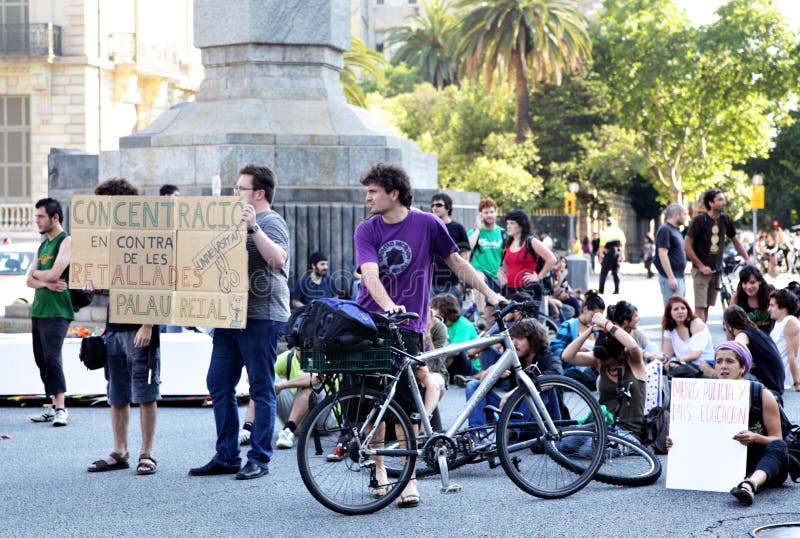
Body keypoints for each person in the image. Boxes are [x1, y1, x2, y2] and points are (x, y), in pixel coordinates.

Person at [354, 162, 503, 508]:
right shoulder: (367, 229)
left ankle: (409, 479)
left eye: (373, 191)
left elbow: (459, 264)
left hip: (408, 326)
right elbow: (370, 276)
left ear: (394, 193)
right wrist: (389, 305)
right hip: (371, 322)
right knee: (377, 398)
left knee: (408, 402)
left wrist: (491, 294)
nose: (368, 198)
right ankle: (378, 471)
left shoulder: (427, 224)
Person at [190, 164, 290, 481]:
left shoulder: (272, 221)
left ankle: (259, 458)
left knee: (261, 387)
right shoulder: (230, 220)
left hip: (262, 315)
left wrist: (253, 228)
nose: (235, 194)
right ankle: (227, 455)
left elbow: (278, 259)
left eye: (240, 189)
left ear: (258, 193)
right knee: (218, 383)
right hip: (228, 314)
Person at [86, 178, 162, 475]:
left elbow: (160, 280)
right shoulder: (112, 237)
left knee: (145, 392)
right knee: (116, 392)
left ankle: (147, 453)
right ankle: (120, 451)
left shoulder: (147, 235)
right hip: (114, 327)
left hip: (140, 327)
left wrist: (148, 324)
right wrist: (93, 285)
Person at [686, 341, 787, 506]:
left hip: (764, 462)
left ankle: (750, 485)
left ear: (743, 367)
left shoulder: (761, 395)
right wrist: (677, 442)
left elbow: (776, 438)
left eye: (730, 361)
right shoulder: (704, 395)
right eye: (719, 362)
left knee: (779, 446)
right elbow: (698, 435)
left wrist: (755, 437)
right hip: (726, 462)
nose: (723, 366)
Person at [561, 312, 647, 449]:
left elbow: (632, 346)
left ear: (619, 354)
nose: (601, 363)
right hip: (601, 424)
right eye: (599, 359)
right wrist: (591, 329)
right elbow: (567, 356)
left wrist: (606, 323)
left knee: (587, 450)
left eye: (606, 360)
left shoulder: (634, 362)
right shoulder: (600, 360)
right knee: (564, 443)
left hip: (627, 432)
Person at [26, 198, 74, 427]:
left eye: (40, 216)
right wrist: (44, 282)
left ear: (55, 217)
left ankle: (61, 408)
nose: (37, 220)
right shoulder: (42, 245)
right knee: (41, 359)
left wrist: (41, 276)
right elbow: (29, 280)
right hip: (39, 308)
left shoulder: (66, 241)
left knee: (53, 358)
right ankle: (53, 405)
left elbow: (55, 273)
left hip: (57, 310)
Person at [465, 319, 561, 431]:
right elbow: (483, 384)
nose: (514, 343)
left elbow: (555, 376)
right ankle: (478, 433)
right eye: (512, 338)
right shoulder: (514, 358)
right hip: (516, 413)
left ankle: (509, 432)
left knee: (541, 386)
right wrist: (489, 372)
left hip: (544, 421)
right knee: (473, 385)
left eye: (519, 338)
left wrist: (515, 392)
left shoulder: (549, 357)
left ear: (533, 340)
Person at [685, 188, 751, 322]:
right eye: (720, 200)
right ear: (710, 203)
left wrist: (747, 259)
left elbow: (735, 240)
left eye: (724, 199)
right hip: (701, 271)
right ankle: (699, 338)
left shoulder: (725, 219)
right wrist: (701, 266)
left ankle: (702, 335)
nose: (724, 202)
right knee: (699, 307)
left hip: (716, 270)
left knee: (707, 306)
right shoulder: (699, 220)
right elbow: (686, 245)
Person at [724, 305, 785, 402]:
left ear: (727, 324)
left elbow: (736, 348)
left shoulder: (743, 335)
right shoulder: (758, 332)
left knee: (728, 369)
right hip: (776, 382)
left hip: (767, 387)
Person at [550, 290, 606, 390]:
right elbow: (555, 352)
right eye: (593, 315)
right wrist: (578, 351)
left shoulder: (596, 330)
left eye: (599, 317)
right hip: (573, 371)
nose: (595, 319)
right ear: (585, 309)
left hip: (593, 370)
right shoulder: (568, 326)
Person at [497, 210, 555, 301]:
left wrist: (539, 277)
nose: (508, 226)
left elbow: (552, 259)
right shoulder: (508, 243)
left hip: (528, 291)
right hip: (509, 290)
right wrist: (500, 273)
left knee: (517, 315)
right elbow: (504, 266)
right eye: (507, 223)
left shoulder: (531, 241)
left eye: (512, 223)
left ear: (521, 225)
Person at [430, 193, 470, 303]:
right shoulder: (430, 227)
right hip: (431, 283)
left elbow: (464, 256)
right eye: (432, 205)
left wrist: (462, 282)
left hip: (453, 283)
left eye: (438, 205)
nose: (434, 208)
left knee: (454, 318)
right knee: (432, 318)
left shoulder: (458, 228)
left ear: (448, 207)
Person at [467, 197, 505, 316]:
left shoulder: (503, 233)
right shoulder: (474, 232)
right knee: (479, 277)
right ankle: (480, 312)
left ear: (496, 213)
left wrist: (503, 270)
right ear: (481, 215)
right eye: (485, 212)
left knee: (492, 319)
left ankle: (485, 318)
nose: (489, 215)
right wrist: (478, 228)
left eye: (491, 212)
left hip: (496, 277)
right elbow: (468, 247)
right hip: (479, 273)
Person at [661, 296, 715, 378]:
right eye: (676, 309)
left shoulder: (696, 323)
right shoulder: (669, 329)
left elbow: (695, 354)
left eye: (683, 308)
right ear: (669, 313)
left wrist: (676, 360)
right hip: (684, 365)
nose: (680, 312)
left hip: (704, 365)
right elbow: (667, 355)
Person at [430, 293, 479, 379]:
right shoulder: (440, 324)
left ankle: (438, 374)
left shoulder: (463, 324)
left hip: (471, 366)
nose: (431, 310)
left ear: (444, 309)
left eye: (434, 308)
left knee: (454, 352)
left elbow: (456, 350)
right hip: (450, 362)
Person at [654, 203, 687, 304]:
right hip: (671, 278)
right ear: (677, 215)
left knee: (680, 308)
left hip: (679, 276)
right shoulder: (665, 230)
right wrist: (671, 277)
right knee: (674, 309)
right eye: (684, 214)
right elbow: (662, 254)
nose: (686, 217)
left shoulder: (675, 230)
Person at [768, 289, 800, 392]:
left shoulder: (791, 322)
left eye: (772, 306)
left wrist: (797, 382)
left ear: (783, 308)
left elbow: (793, 355)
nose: (769, 309)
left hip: (783, 380)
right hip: (773, 376)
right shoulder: (778, 323)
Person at [731, 265, 774, 334]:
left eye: (752, 282)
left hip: (770, 338)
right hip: (747, 339)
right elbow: (731, 325)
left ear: (760, 281)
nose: (748, 287)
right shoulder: (736, 298)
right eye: (745, 283)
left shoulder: (771, 294)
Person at [598, 217, 626, 295]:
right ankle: (617, 290)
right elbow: (622, 243)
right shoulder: (619, 231)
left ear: (606, 223)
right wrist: (622, 254)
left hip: (608, 253)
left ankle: (601, 290)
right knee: (616, 271)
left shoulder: (604, 232)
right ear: (613, 223)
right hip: (617, 252)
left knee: (604, 272)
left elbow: (601, 246)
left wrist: (600, 256)